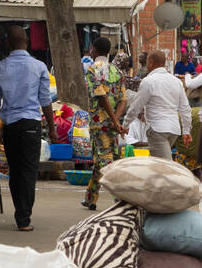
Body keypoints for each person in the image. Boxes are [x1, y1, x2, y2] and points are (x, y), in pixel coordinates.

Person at [0, 24, 54, 231]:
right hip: (31, 124)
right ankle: (23, 217)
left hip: (10, 126)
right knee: (29, 171)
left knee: (15, 171)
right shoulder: (39, 66)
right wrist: (52, 127)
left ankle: (21, 213)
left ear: (7, 43)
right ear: (27, 41)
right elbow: (45, 100)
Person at [81, 36, 128, 212]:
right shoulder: (117, 71)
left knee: (106, 162)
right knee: (103, 159)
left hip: (98, 123)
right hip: (112, 124)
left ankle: (119, 199)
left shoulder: (93, 69)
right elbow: (123, 100)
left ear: (93, 49)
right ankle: (90, 197)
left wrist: (113, 120)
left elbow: (101, 97)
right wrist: (116, 120)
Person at [127, 51, 191, 161]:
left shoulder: (148, 81)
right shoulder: (176, 82)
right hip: (173, 130)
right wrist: (186, 131)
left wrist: (125, 124)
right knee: (157, 164)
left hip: (157, 129)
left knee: (165, 166)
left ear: (151, 62)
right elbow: (185, 109)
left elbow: (136, 106)